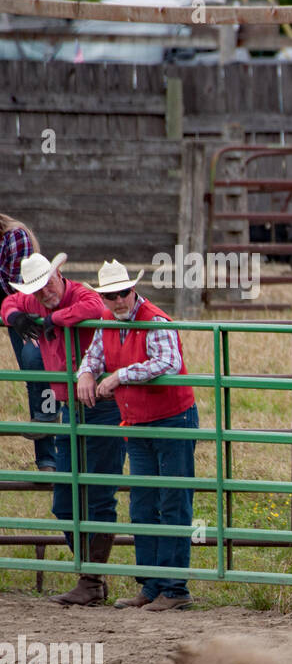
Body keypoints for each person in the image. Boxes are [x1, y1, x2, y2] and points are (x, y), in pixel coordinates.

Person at [2, 253, 125, 605]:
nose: (44, 294)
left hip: (102, 403)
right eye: (37, 291)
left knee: (98, 494)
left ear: (59, 275)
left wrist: (51, 319)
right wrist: (16, 316)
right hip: (71, 407)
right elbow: (9, 302)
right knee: (65, 500)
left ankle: (91, 579)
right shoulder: (34, 299)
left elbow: (91, 309)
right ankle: (92, 576)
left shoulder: (81, 294)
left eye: (48, 285)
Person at [76, 260, 199, 611]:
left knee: (172, 501)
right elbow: (93, 356)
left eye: (122, 293)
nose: (117, 301)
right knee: (144, 503)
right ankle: (151, 584)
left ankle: (175, 589)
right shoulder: (107, 324)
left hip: (171, 418)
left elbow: (168, 362)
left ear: (133, 290)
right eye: (110, 295)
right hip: (139, 420)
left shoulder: (155, 321)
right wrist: (86, 374)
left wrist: (119, 376)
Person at [1, 214, 56, 472]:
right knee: (36, 378)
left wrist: (56, 317)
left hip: (34, 311)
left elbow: (16, 287)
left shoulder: (14, 237)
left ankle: (52, 458)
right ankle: (48, 460)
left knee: (41, 370)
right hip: (17, 312)